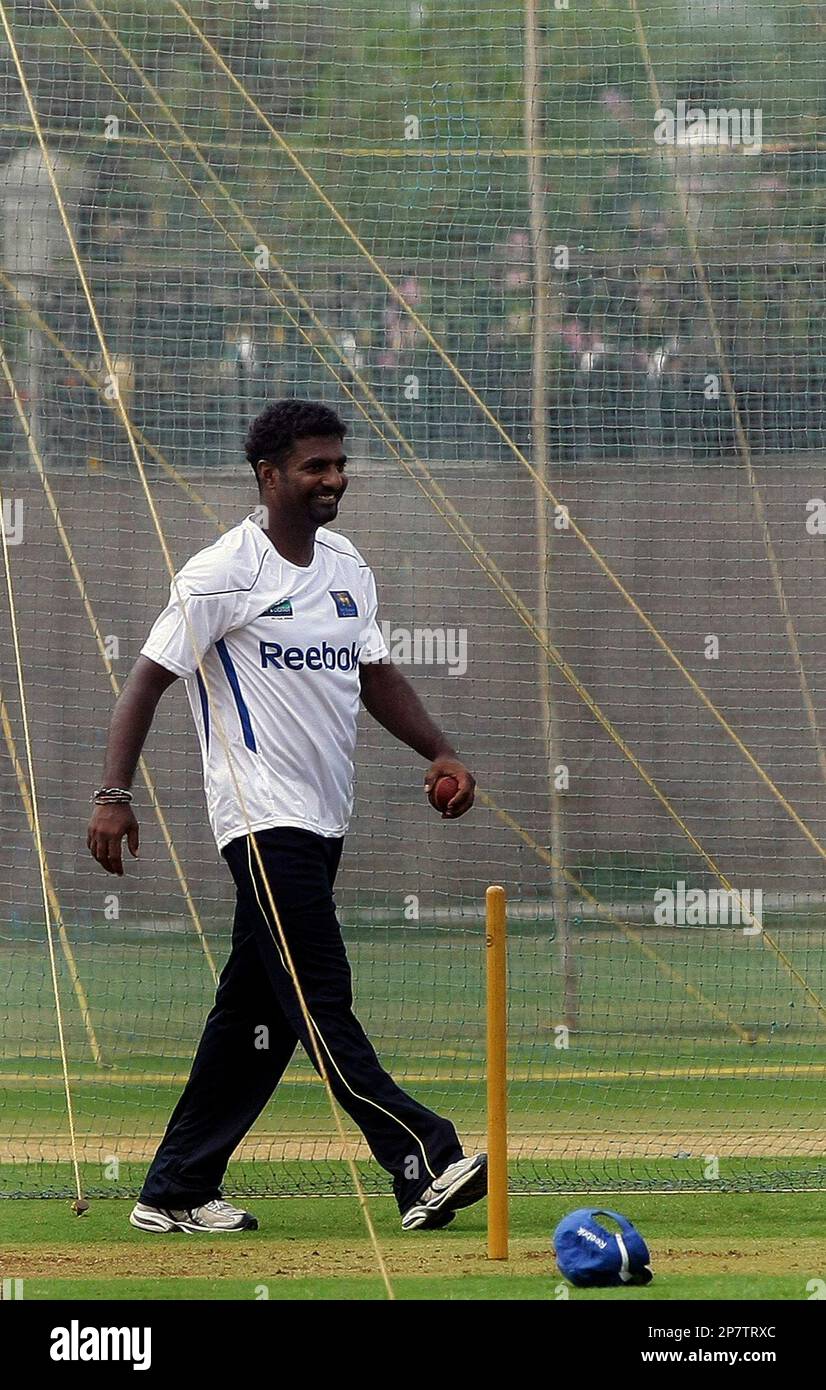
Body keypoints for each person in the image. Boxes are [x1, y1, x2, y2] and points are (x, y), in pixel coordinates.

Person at [87, 398, 486, 1234]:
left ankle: (176, 1189)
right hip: (262, 823)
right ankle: (425, 1158)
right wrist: (114, 796)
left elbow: (376, 675)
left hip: (322, 821)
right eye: (315, 466)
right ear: (268, 476)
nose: (334, 479)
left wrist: (439, 752)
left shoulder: (346, 567)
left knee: (255, 1016)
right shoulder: (221, 572)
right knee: (319, 999)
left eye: (340, 465)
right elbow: (145, 683)